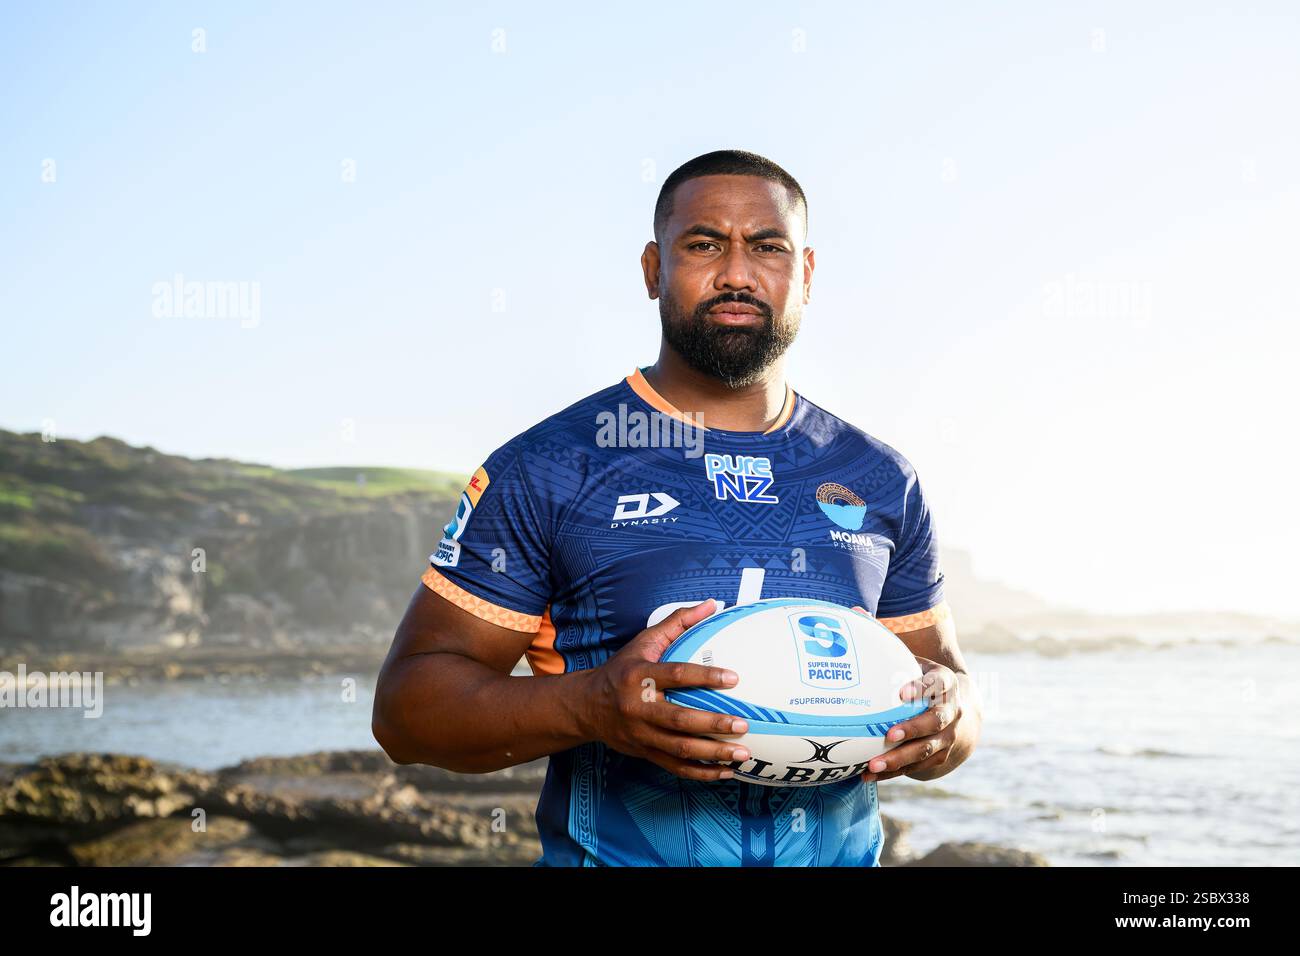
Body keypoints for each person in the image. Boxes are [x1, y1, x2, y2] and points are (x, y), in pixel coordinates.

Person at [372, 149, 981, 866]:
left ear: (805, 274)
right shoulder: (553, 465)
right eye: (703, 244)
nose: (736, 272)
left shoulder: (879, 478)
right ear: (653, 269)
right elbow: (406, 714)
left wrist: (952, 721)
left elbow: (949, 696)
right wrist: (592, 704)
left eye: (767, 246)